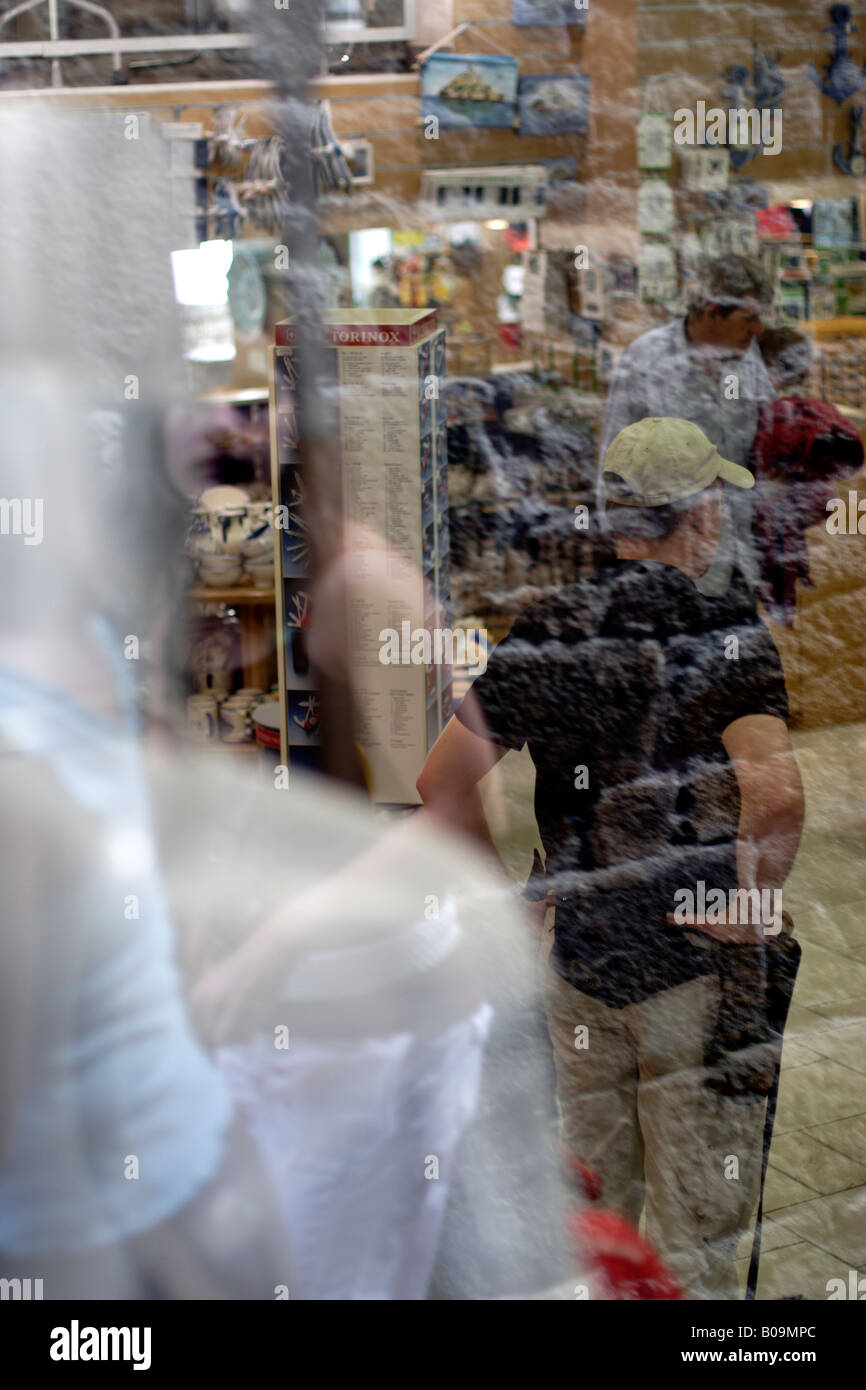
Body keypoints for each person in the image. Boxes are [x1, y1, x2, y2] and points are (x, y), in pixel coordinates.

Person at [417, 416, 805, 1299]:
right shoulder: (724, 625)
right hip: (696, 972)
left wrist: (518, 899)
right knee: (700, 1226)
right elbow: (776, 794)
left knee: (593, 1217)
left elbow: (442, 782)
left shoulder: (552, 626)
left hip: (577, 966)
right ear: (701, 517)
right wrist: (751, 905)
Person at [599, 256, 775, 597]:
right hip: (671, 566)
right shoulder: (645, 361)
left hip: (741, 559)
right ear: (712, 312)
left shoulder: (747, 356)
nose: (758, 330)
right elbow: (615, 474)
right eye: (749, 318)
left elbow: (765, 436)